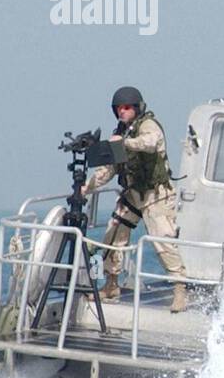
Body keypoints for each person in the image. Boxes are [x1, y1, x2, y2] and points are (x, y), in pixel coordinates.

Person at [81, 86, 189, 313]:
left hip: (156, 194)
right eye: (119, 108)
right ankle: (111, 284)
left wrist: (123, 143)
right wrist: (86, 188)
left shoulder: (147, 125)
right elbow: (109, 169)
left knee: (162, 240)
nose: (122, 111)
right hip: (133, 194)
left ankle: (180, 288)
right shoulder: (121, 132)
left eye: (127, 107)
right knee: (113, 234)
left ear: (137, 108)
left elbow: (150, 142)